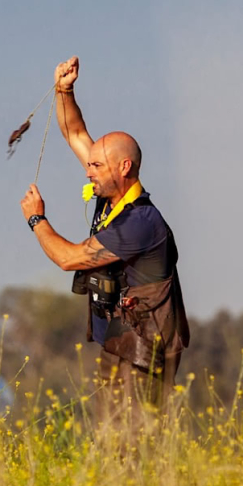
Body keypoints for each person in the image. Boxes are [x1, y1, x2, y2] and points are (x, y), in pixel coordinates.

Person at [19, 56, 189, 419]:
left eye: (96, 166)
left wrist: (37, 219)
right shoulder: (110, 196)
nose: (88, 171)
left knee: (136, 443)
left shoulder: (140, 222)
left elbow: (70, 258)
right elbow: (76, 134)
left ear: (123, 167)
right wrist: (65, 91)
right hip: (121, 341)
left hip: (146, 350)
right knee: (111, 444)